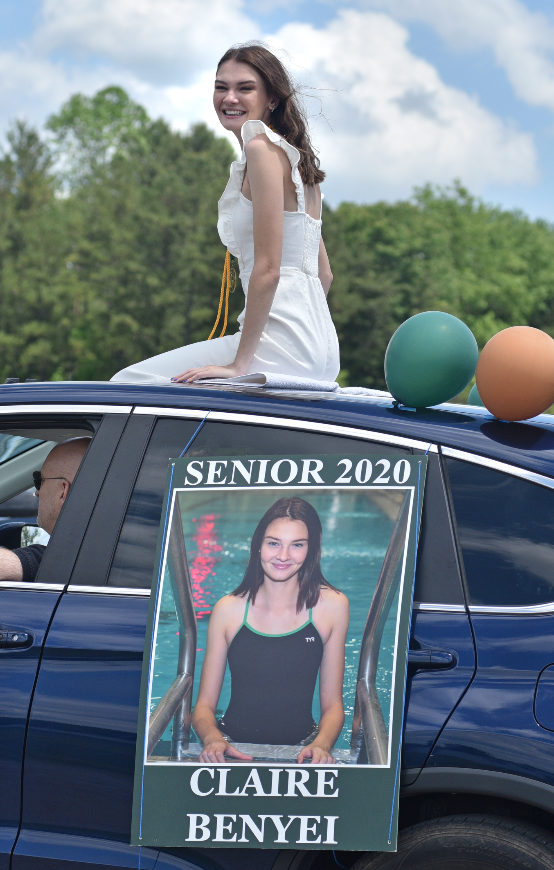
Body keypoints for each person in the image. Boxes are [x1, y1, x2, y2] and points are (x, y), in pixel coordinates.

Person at [111, 43, 340, 386]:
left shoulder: (261, 149)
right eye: (221, 87)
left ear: (272, 98)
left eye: (245, 88)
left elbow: (268, 270)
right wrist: (303, 335)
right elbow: (324, 275)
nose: (229, 97)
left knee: (129, 382)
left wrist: (239, 364)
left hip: (277, 347)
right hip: (320, 350)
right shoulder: (301, 167)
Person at [191, 497, 349, 765]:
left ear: (311, 550)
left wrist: (320, 746)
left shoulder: (332, 607)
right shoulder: (228, 610)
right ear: (258, 546)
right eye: (273, 543)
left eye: (297, 545)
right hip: (232, 747)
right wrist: (212, 739)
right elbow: (204, 706)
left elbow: (333, 705)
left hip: (302, 750)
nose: (283, 556)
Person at [0, 437, 91, 582]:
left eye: (40, 481)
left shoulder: (59, 561)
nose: (37, 492)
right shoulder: (104, 556)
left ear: (63, 491)